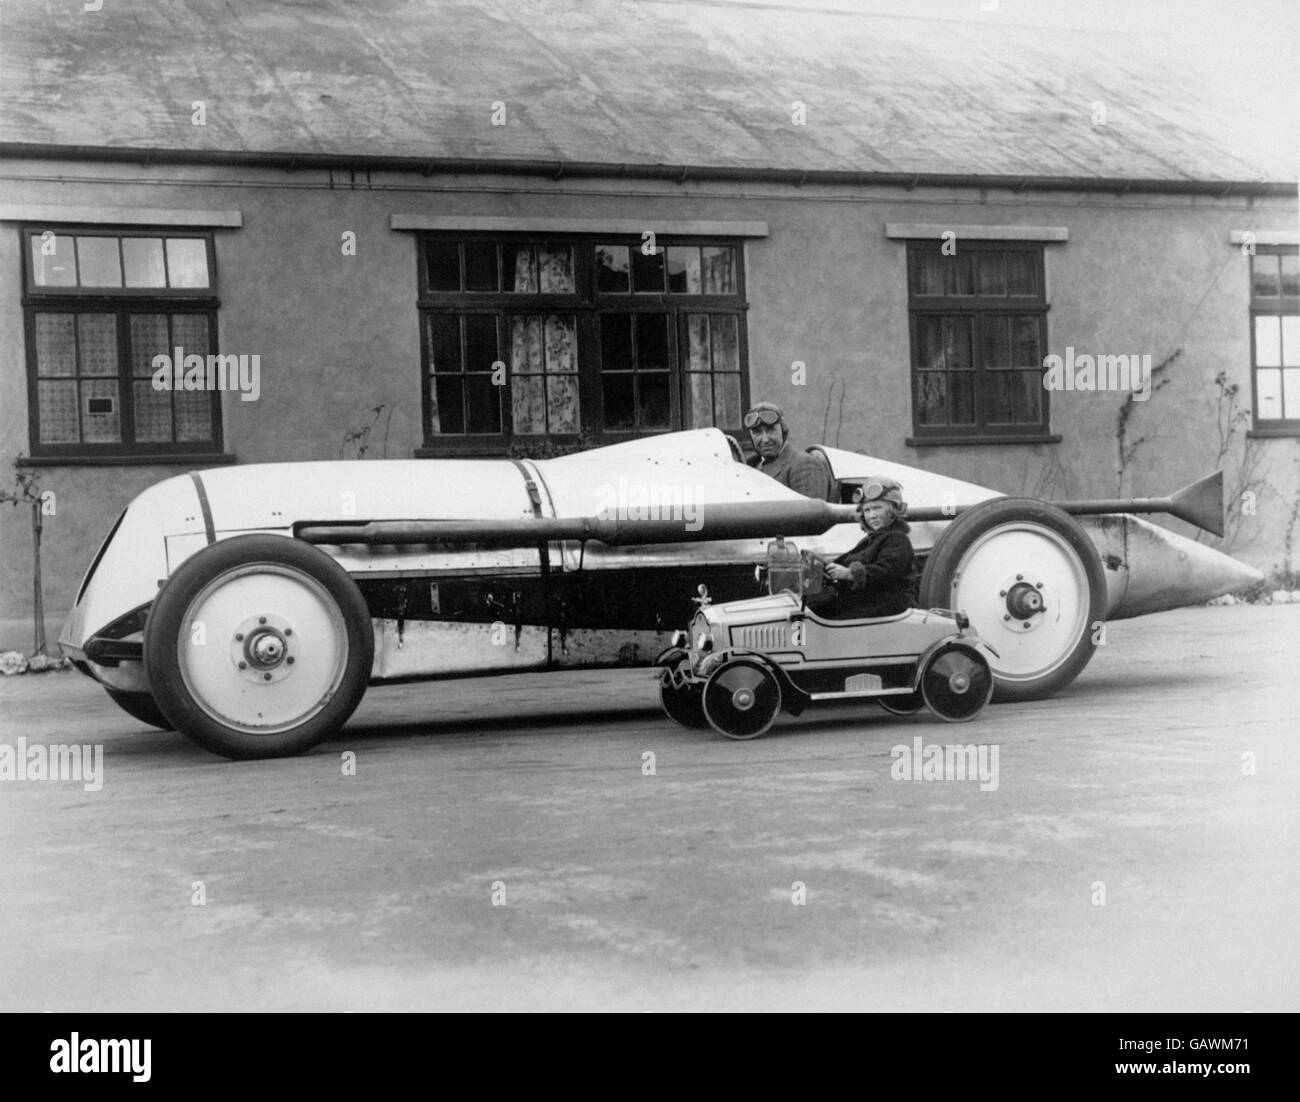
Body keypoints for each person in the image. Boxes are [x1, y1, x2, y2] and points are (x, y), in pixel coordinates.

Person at [806, 477, 918, 619]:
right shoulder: (869, 541)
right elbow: (842, 561)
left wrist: (849, 574)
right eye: (867, 510)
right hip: (866, 606)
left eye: (878, 508)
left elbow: (887, 571)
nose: (872, 515)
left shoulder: (897, 539)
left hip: (888, 609)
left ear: (893, 510)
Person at [743, 401, 834, 501]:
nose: (765, 439)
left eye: (771, 430)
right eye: (757, 432)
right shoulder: (750, 468)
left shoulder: (804, 465)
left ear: (783, 430)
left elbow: (811, 514)